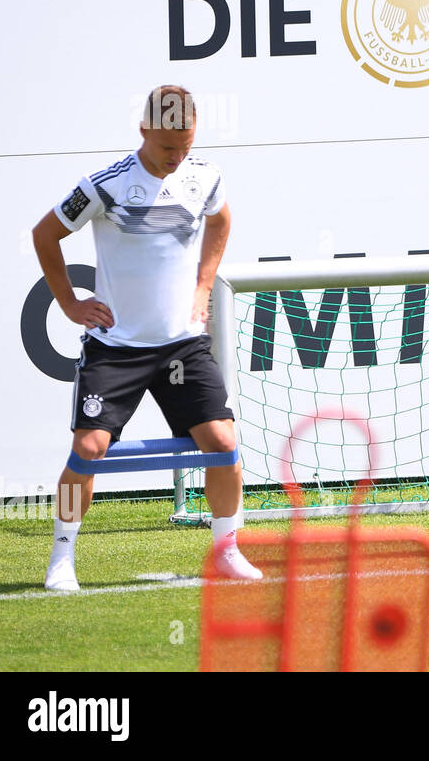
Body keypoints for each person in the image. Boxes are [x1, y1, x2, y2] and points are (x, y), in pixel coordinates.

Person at [32, 85, 261, 590]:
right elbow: (44, 234)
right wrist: (70, 303)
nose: (176, 159)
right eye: (166, 150)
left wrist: (204, 284)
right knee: (88, 448)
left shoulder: (204, 176)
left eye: (184, 147)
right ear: (143, 130)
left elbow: (221, 219)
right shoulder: (104, 185)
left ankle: (227, 551)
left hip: (182, 346)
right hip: (116, 349)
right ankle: (62, 559)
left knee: (223, 443)